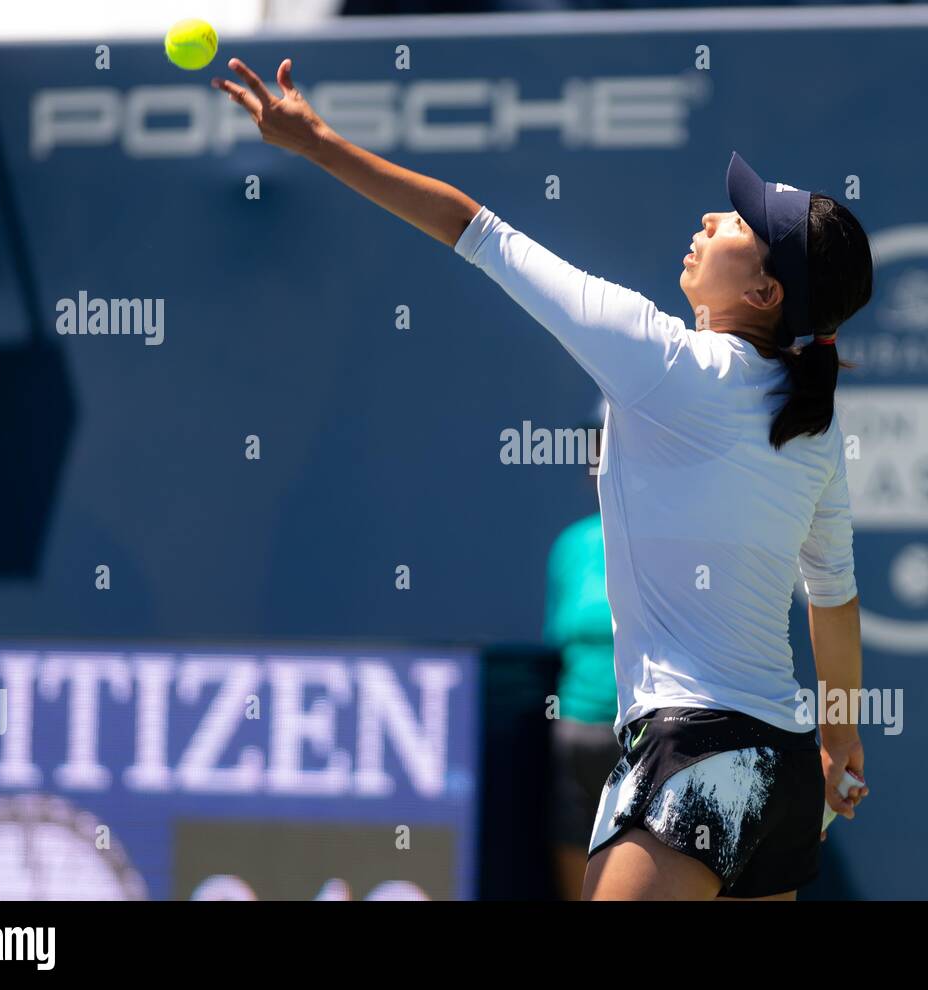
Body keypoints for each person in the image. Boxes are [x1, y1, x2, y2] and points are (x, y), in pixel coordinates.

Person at [213, 56, 871, 902]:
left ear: (768, 289)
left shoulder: (664, 361)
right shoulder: (813, 422)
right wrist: (841, 737)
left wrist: (317, 143)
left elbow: (475, 230)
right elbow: (835, 597)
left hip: (694, 758)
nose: (713, 217)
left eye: (739, 222)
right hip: (782, 774)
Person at [543, 404, 619, 900]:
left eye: (612, 443)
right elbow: (559, 638)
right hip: (574, 737)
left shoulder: (669, 540)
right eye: (596, 445)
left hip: (645, 739)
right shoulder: (571, 545)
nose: (601, 457)